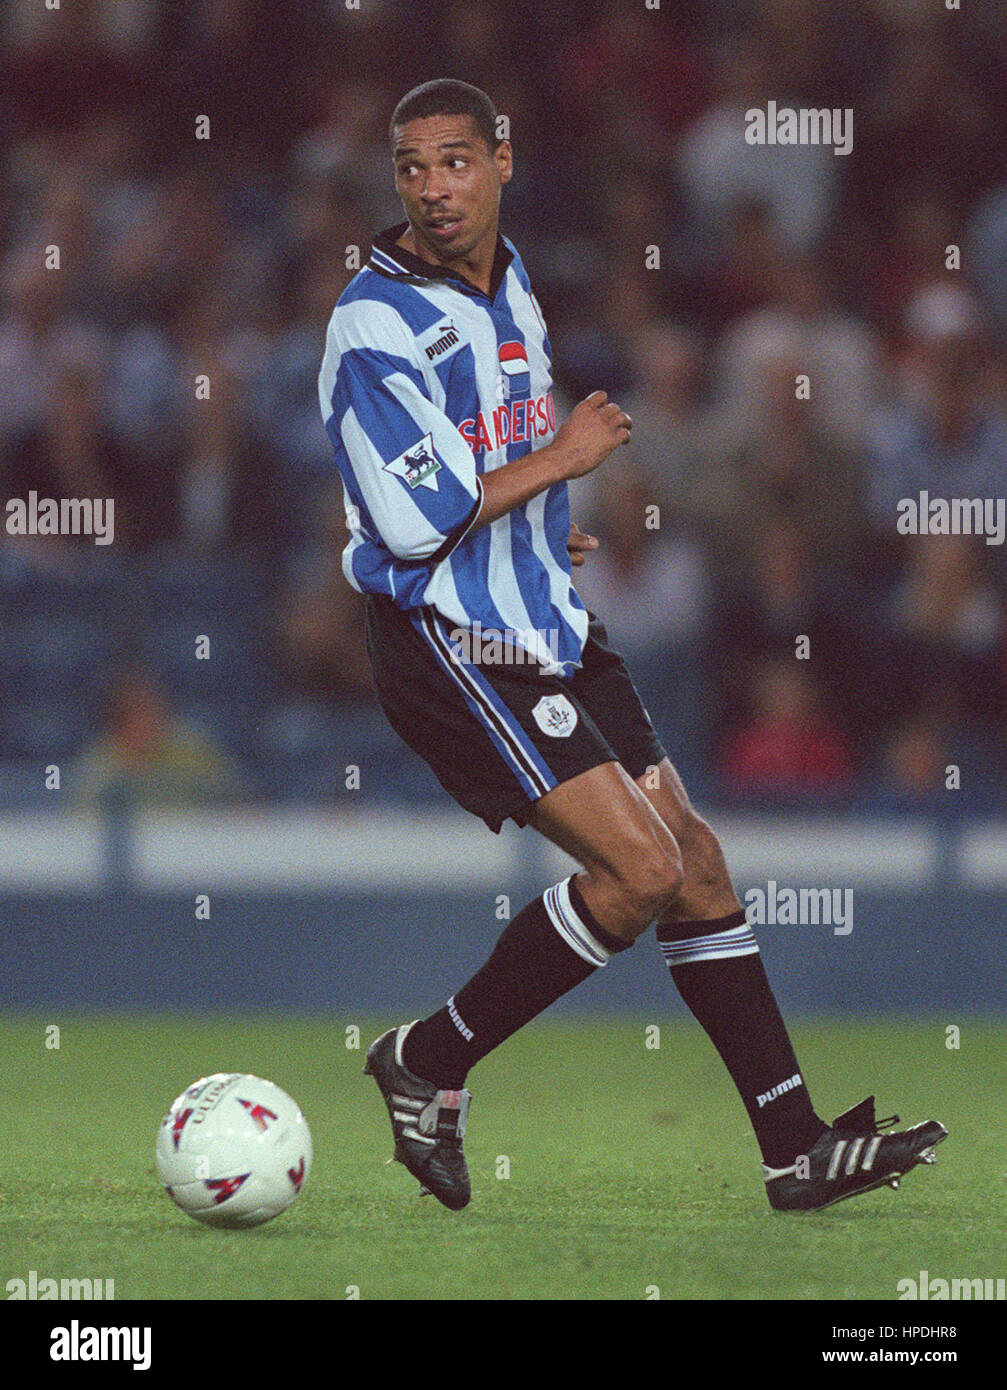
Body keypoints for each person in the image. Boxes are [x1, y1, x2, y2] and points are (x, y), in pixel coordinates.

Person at [317, 80, 945, 1213]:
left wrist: (542, 525)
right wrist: (561, 462)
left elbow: (483, 461)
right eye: (411, 166)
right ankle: (427, 1058)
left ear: (502, 161)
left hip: (542, 617)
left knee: (693, 858)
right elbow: (411, 520)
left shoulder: (506, 284)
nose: (432, 187)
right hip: (454, 640)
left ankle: (791, 1146)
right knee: (641, 872)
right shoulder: (372, 321)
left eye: (454, 161)